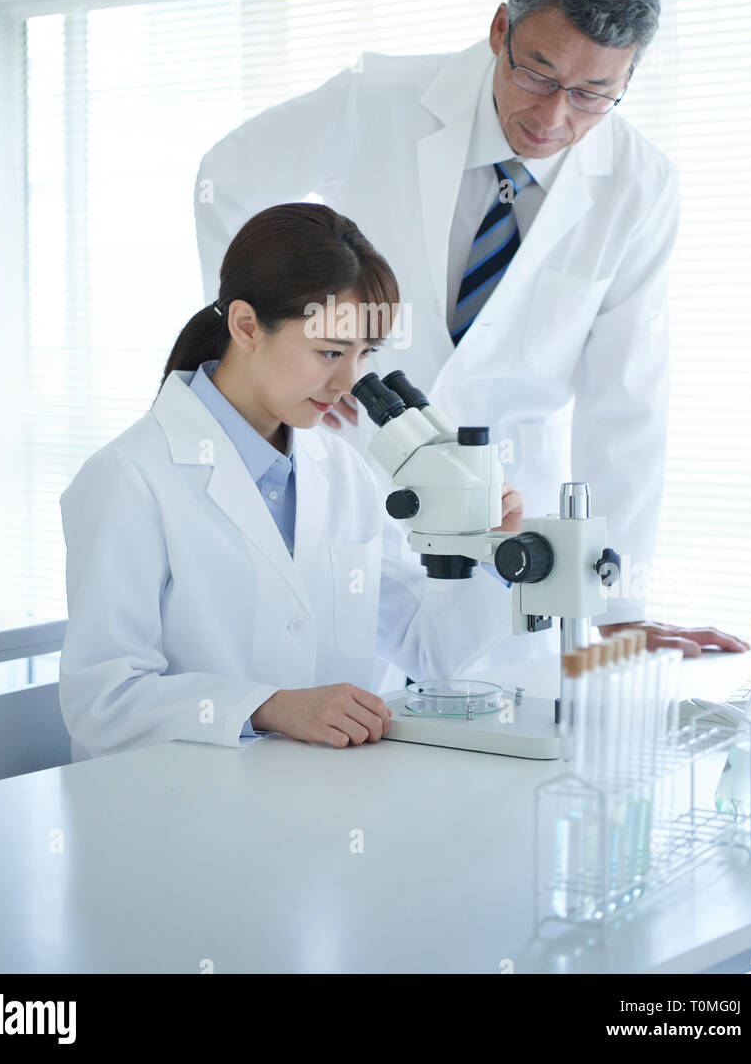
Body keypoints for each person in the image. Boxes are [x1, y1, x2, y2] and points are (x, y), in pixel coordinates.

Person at [195, 0, 747, 662]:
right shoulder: (380, 100)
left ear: (628, 79)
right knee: (327, 742)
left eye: (592, 95)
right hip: (350, 492)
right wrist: (281, 358)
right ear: (500, 30)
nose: (554, 117)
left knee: (495, 743)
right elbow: (227, 179)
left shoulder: (641, 186)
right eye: (536, 73)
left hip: (508, 544)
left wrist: (613, 606)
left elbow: (626, 405)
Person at [58, 203, 529, 758]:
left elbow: (430, 650)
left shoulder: (345, 471)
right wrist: (270, 705)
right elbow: (103, 702)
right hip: (180, 804)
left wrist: (488, 550)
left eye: (364, 355)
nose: (349, 382)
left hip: (323, 794)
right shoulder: (128, 477)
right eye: (329, 352)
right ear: (246, 325)